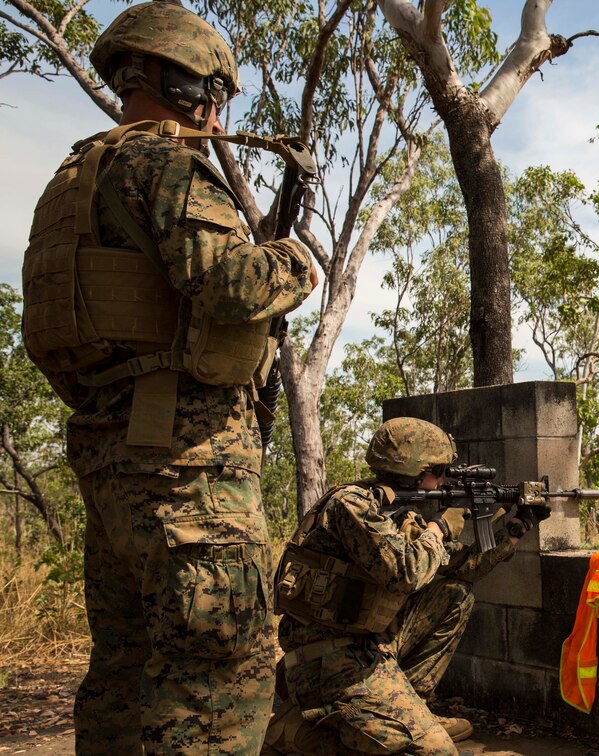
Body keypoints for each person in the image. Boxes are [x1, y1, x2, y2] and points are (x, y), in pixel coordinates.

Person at [20, 1, 316, 752]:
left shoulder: (73, 178)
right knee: (218, 680)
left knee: (125, 674)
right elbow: (232, 287)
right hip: (188, 475)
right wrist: (295, 262)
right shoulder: (164, 164)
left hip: (111, 460)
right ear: (194, 88)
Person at [263, 417, 548, 755]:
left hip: (369, 647)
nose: (443, 479)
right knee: (436, 752)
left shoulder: (393, 511)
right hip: (329, 663)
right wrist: (439, 527)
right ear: (413, 468)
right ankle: (296, 731)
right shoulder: (351, 506)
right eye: (438, 470)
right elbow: (405, 571)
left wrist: (517, 527)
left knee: (454, 595)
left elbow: (464, 567)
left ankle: (409, 707)